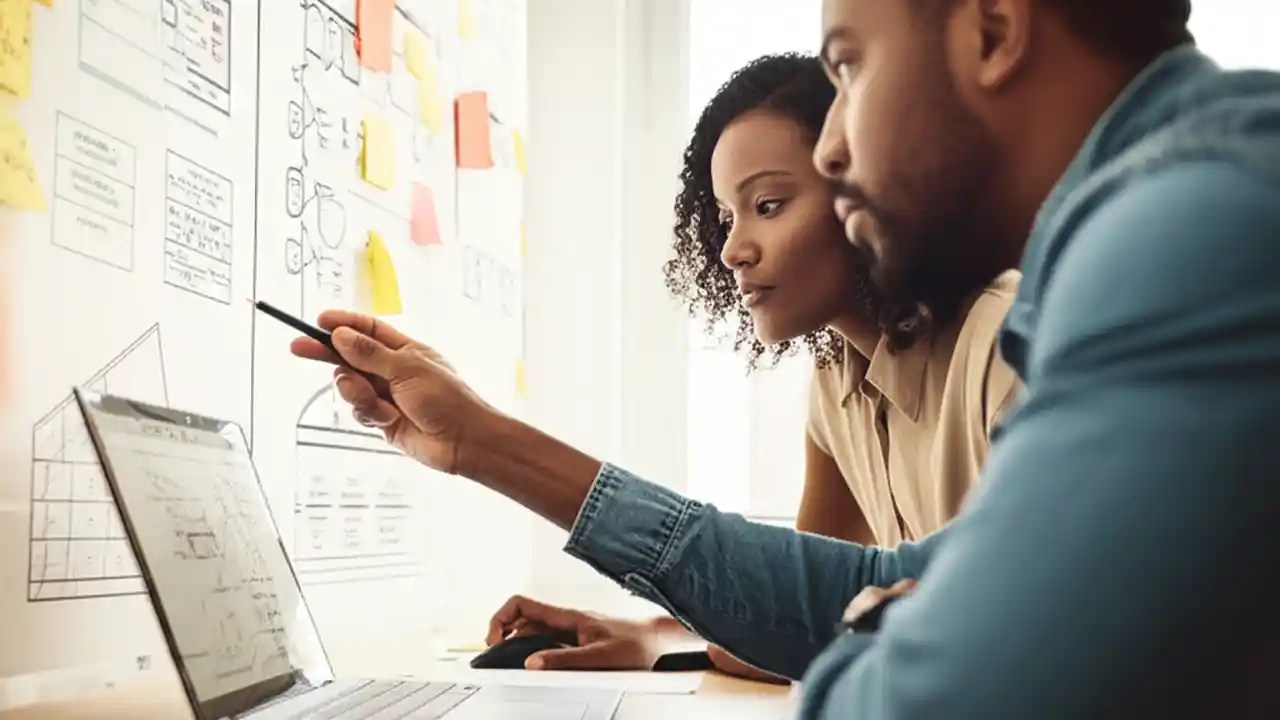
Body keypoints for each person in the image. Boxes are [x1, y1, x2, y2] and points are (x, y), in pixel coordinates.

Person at [293, 0, 1280, 716]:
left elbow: (931, 688)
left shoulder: (1192, 229)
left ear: (992, 27)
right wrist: (481, 441)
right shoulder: (1158, 221)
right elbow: (881, 585)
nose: (838, 145)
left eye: (847, 68)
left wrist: (882, 632)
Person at [482, 52, 1019, 682]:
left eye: (767, 205)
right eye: (725, 218)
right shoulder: (836, 382)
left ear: (867, 183)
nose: (735, 249)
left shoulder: (1004, 340)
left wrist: (480, 438)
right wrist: (654, 635)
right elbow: (796, 620)